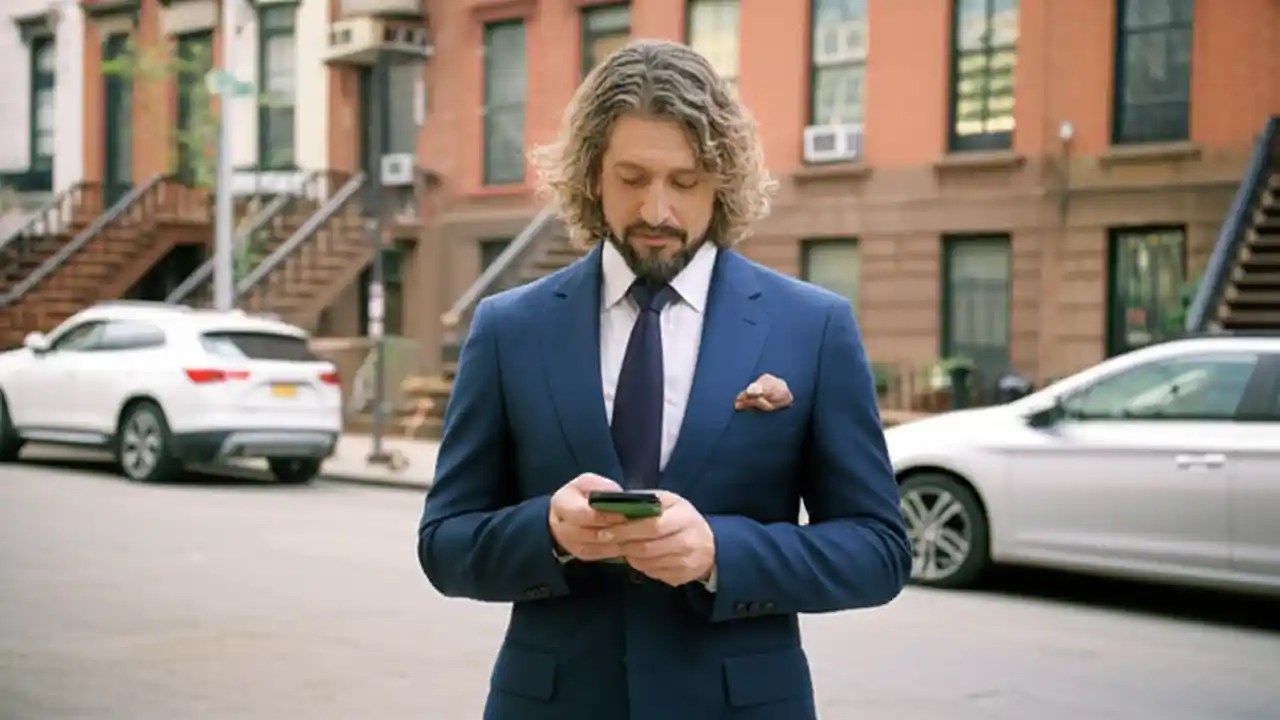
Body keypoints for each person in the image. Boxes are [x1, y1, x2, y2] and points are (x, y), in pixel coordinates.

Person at [417, 38, 911, 720]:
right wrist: (548, 533)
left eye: (685, 181)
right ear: (592, 174)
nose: (656, 211)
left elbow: (878, 551)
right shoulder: (510, 327)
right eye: (632, 178)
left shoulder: (813, 326)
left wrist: (719, 553)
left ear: (722, 180)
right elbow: (444, 544)